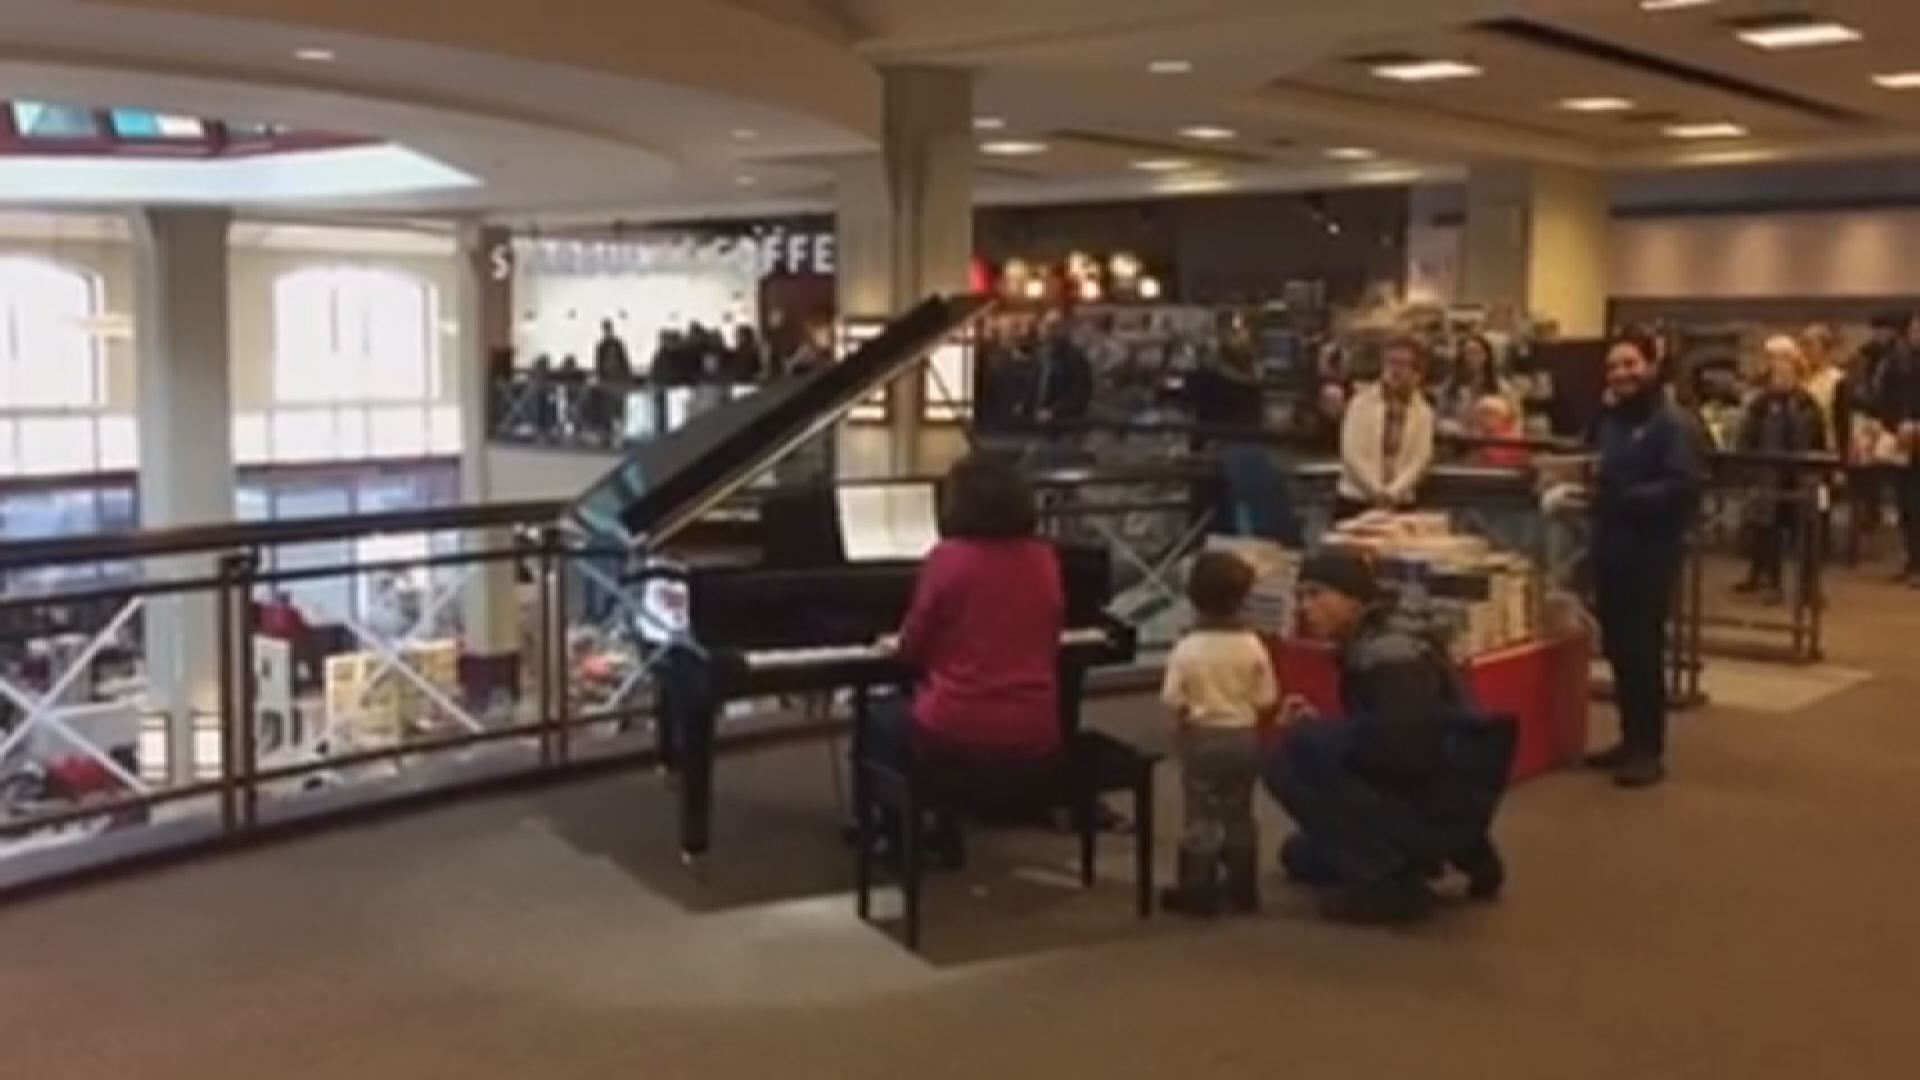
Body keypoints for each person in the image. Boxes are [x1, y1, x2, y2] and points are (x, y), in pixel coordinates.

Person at [1264, 552, 1508, 924]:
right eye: (1300, 597)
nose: (1305, 608)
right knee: (1300, 855)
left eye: (1316, 595)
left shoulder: (1390, 658)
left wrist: (1318, 737)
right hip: (1453, 792)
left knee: (1286, 760)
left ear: (1353, 599)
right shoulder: (1399, 639)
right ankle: (1442, 853)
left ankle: (1388, 883)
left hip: (1432, 798)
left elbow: (1403, 749)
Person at [867, 453, 1066, 774]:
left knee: (875, 717)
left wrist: (897, 645)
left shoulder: (947, 559)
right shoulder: (1044, 559)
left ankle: (897, 820)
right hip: (1036, 725)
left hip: (955, 725)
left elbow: (913, 650)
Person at [1585, 332, 1706, 789]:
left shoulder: (1673, 424)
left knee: (1642, 650)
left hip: (1650, 551)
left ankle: (1648, 750)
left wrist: (1624, 500)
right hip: (1610, 546)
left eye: (1630, 364)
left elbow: (1683, 486)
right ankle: (1628, 738)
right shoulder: (1611, 419)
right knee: (1618, 648)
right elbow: (1598, 466)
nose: (1621, 374)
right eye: (1614, 366)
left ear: (1652, 365)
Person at [1158, 552, 1279, 917]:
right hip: (1243, 736)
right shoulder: (1253, 645)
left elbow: (1173, 698)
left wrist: (1179, 733)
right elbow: (1267, 697)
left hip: (1203, 736)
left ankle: (1198, 888)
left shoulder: (1187, 648)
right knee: (1240, 810)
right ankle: (1243, 888)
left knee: (1201, 813)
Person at [1736, 337, 1827, 602]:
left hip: (1801, 478)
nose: (1782, 378)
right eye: (1778, 373)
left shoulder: (1809, 404)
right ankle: (1771, 584)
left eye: (1788, 373)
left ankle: (1809, 588)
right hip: (1769, 477)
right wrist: (1749, 471)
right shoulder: (1761, 405)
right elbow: (1747, 438)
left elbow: (1819, 440)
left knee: (1808, 536)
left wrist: (1822, 473)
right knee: (1769, 535)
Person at [1336, 337, 1435, 520]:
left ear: (1416, 371)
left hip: (1400, 500)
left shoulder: (1423, 411)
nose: (1396, 369)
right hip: (1357, 498)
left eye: (1403, 364)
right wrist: (1376, 490)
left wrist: (1393, 492)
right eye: (1391, 362)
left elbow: (1421, 458)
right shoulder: (1360, 403)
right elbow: (1351, 452)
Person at [1880, 313, 1920, 584]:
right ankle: (1912, 560)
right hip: (1902, 442)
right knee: (1907, 505)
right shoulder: (1896, 364)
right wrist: (1896, 425)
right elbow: (1885, 399)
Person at [1438, 334, 1516, 435]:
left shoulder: (1501, 387)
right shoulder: (1450, 387)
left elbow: (1513, 419)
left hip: (1492, 441)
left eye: (1477, 353)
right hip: (1458, 441)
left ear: (1486, 356)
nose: (1472, 358)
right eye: (1468, 353)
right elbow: (1439, 417)